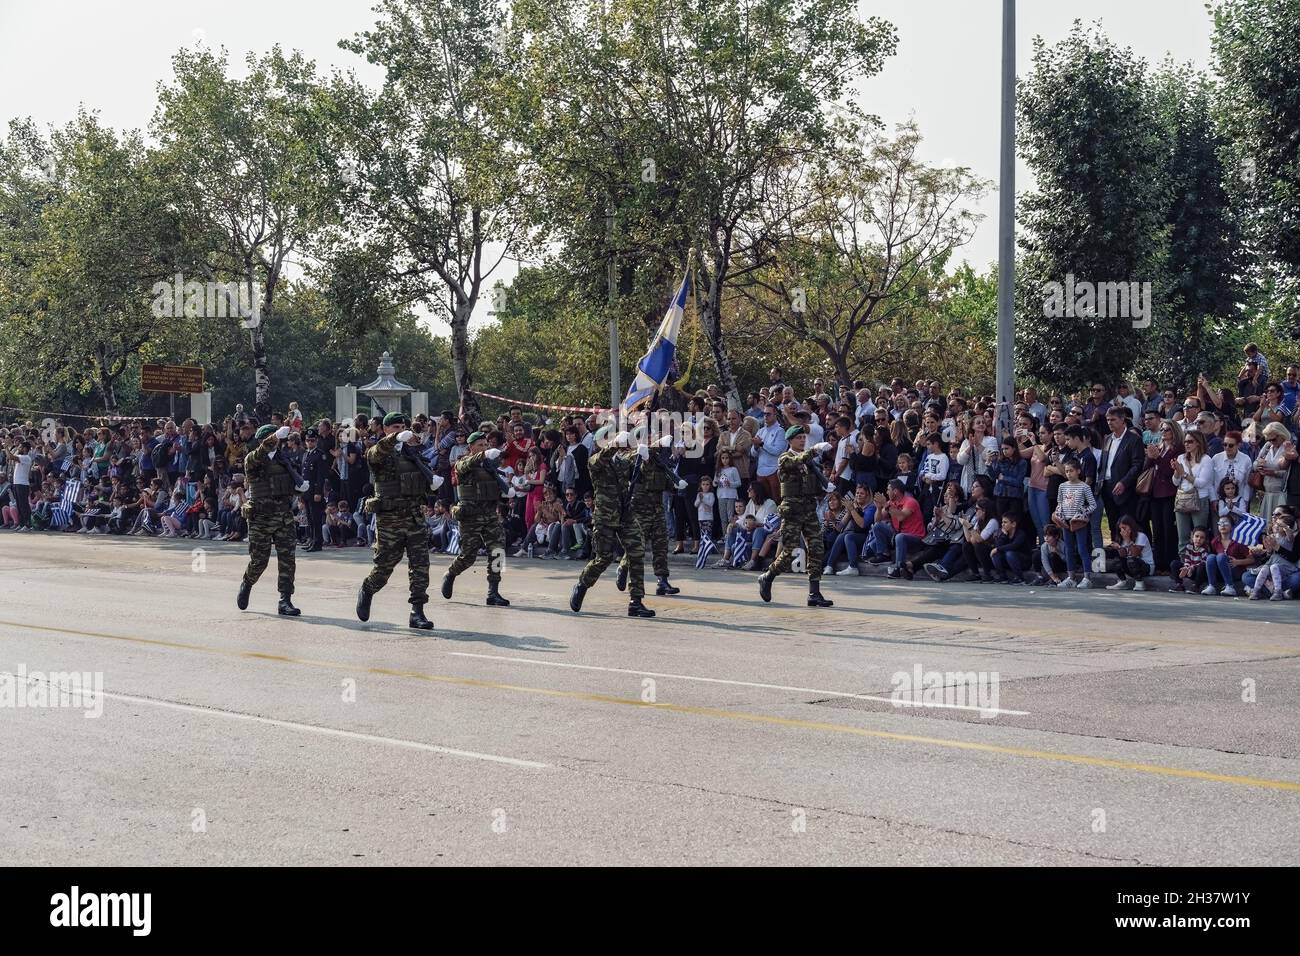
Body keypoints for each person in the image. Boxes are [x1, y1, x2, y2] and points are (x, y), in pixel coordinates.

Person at [356, 413, 445, 630]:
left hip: (414, 517)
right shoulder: (378, 453)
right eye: (395, 427)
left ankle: (417, 611)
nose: (400, 429)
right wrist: (394, 439)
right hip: (390, 520)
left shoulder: (413, 453)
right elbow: (375, 454)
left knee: (420, 566)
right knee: (383, 568)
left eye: (403, 426)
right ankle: (367, 589)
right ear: (385, 430)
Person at [571, 428, 654, 617]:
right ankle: (582, 584)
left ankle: (636, 601)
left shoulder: (623, 461)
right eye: (609, 439)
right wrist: (613, 444)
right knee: (604, 558)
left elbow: (642, 471)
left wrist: (647, 456)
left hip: (625, 515)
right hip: (605, 517)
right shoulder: (595, 462)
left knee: (637, 552)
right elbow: (598, 460)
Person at [757, 426, 835, 607]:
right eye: (798, 437)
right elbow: (799, 459)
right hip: (792, 511)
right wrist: (814, 450)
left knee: (816, 548)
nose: (802, 440)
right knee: (790, 552)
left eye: (803, 437)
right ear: (789, 441)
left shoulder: (810, 463)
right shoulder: (785, 458)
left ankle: (814, 593)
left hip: (808, 510)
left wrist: (825, 487)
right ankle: (767, 577)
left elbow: (811, 484)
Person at [238, 424, 307, 616]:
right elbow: (262, 452)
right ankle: (247, 582)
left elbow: (286, 485)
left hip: (284, 516)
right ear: (262, 441)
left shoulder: (284, 460)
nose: (276, 442)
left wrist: (299, 487)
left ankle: (285, 600)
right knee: (259, 561)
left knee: (288, 560)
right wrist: (274, 436)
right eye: (271, 438)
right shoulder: (253, 459)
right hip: (261, 517)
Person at [442, 430, 511, 607]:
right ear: (470, 447)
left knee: (498, 551)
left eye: (486, 445)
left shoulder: (490, 467)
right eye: (480, 445)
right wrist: (483, 455)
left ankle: (493, 592)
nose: (484, 448)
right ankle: (451, 574)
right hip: (470, 516)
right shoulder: (463, 463)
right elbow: (465, 465)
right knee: (468, 556)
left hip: (489, 514)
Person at [618, 431, 685, 597]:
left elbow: (663, 479)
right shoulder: (633, 457)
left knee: (661, 546)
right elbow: (630, 474)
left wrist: (675, 485)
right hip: (639, 510)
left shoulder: (657, 458)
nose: (650, 441)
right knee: (637, 545)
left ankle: (662, 581)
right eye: (646, 438)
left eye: (651, 438)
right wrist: (643, 457)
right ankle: (623, 567)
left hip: (657, 509)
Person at [1098, 408, 1144, 537]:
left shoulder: (1134, 439)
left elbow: (1137, 465)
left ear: (1122, 420)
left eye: (1113, 419)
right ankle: (1117, 552)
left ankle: (1130, 553)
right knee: (1113, 523)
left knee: (1127, 524)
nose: (1110, 422)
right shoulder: (1107, 439)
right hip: (1107, 486)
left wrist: (1124, 482)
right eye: (1108, 420)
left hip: (1125, 489)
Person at [1203, 517, 1251, 596]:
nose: (1222, 525)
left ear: (1232, 526)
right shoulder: (1215, 541)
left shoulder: (1238, 541)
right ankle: (1211, 586)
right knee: (1211, 557)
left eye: (1225, 523)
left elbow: (1251, 559)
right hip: (1221, 570)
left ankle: (1230, 586)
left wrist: (1237, 562)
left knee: (1221, 556)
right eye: (1220, 523)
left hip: (1235, 571)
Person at [1106, 515, 1153, 591]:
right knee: (1117, 560)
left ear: (1131, 527)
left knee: (1131, 560)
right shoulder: (1122, 538)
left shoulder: (1141, 536)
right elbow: (1123, 555)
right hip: (1132, 566)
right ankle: (1123, 581)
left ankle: (1139, 582)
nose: (1122, 531)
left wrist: (1128, 540)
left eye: (1124, 528)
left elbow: (1135, 554)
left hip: (1146, 567)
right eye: (1120, 529)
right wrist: (1119, 548)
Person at [300, 428, 328, 552]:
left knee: (316, 517)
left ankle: (317, 542)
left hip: (314, 490)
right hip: (306, 490)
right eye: (308, 440)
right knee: (309, 517)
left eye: (312, 440)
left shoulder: (320, 454)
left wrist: (318, 492)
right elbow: (303, 474)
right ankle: (311, 539)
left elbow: (320, 476)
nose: (310, 443)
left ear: (316, 441)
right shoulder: (306, 454)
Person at [1169, 527, 1210, 594]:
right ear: (1192, 537)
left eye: (1202, 538)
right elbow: (1187, 560)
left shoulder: (1205, 549)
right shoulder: (1189, 546)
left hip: (1198, 572)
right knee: (1174, 563)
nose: (1199, 539)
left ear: (1205, 540)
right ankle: (1179, 585)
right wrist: (1186, 567)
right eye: (1196, 536)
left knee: (1202, 566)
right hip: (1188, 570)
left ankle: (1196, 586)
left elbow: (1203, 562)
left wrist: (1192, 567)